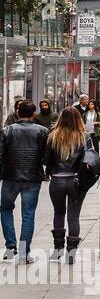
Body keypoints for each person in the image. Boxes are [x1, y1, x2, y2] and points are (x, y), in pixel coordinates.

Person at [0, 101, 49, 262]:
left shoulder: (7, 131)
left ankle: (10, 247)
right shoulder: (42, 131)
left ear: (18, 112)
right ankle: (23, 252)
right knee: (28, 214)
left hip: (10, 177)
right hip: (33, 177)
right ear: (34, 113)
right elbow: (47, 157)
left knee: (6, 209)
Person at [45, 107, 88, 263]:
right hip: (76, 181)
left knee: (58, 213)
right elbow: (90, 159)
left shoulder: (53, 137)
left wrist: (49, 171)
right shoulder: (84, 137)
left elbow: (46, 159)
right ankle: (71, 255)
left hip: (56, 181)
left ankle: (57, 250)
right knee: (74, 216)